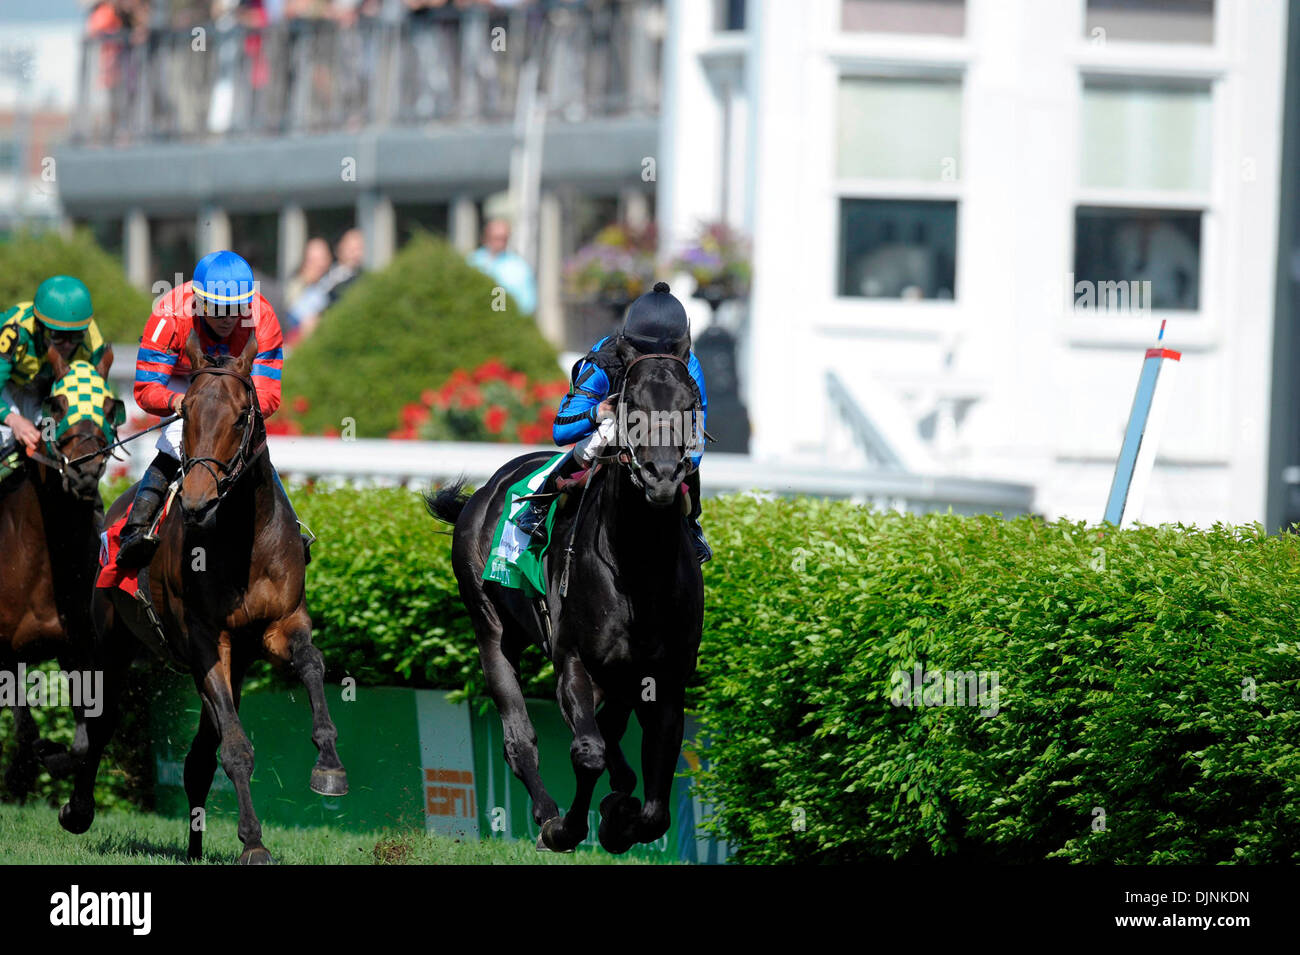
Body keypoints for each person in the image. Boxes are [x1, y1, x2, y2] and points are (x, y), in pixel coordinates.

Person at [513, 281, 711, 563]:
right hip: (617, 423)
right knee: (605, 432)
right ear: (629, 346)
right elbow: (561, 430)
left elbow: (698, 429)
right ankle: (540, 505)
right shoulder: (605, 360)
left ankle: (692, 523)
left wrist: (685, 460)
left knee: (682, 441)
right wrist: (598, 412)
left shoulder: (689, 365)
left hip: (663, 425)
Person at [116, 250, 287, 567]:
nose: (226, 318)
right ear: (197, 301)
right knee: (178, 435)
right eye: (217, 307)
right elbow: (146, 389)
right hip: (183, 383)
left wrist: (229, 414)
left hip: (235, 390)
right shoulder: (170, 315)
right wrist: (178, 402)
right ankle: (136, 527)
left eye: (235, 308)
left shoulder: (262, 320)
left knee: (251, 443)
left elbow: (267, 394)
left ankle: (289, 528)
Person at [0, 276, 113, 481]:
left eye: (75, 336)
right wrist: (12, 419)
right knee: (6, 437)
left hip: (43, 391)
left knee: (49, 438)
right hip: (6, 386)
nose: (68, 345)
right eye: (58, 335)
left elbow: (93, 396)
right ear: (39, 326)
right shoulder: (15, 331)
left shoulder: (92, 342)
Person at [467, 218, 537, 316]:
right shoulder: (472, 261)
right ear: (486, 237)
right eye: (496, 238)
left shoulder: (519, 266)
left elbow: (527, 303)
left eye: (504, 239)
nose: (500, 243)